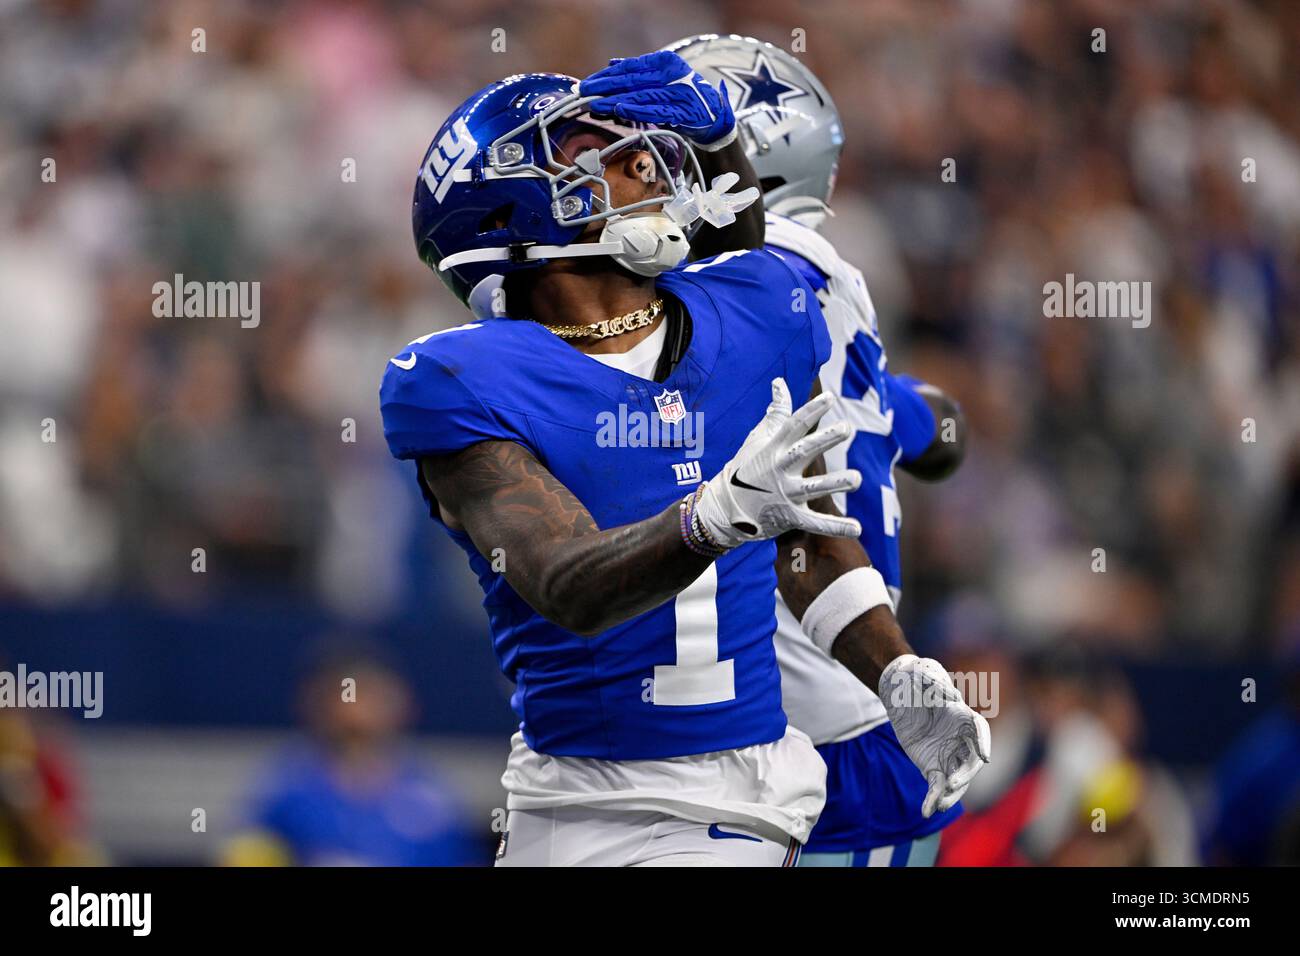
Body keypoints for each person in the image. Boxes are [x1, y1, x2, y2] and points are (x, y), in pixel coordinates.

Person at [380, 51, 989, 866]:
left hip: (737, 800)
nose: (641, 159)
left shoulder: (756, 307)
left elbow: (807, 544)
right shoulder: (466, 377)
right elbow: (565, 581)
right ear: (511, 209)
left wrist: (896, 674)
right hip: (564, 803)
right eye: (588, 150)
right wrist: (713, 517)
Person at [671, 35, 973, 866]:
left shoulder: (735, 281)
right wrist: (907, 409)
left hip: (822, 734)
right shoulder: (825, 290)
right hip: (831, 719)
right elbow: (942, 433)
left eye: (661, 157)